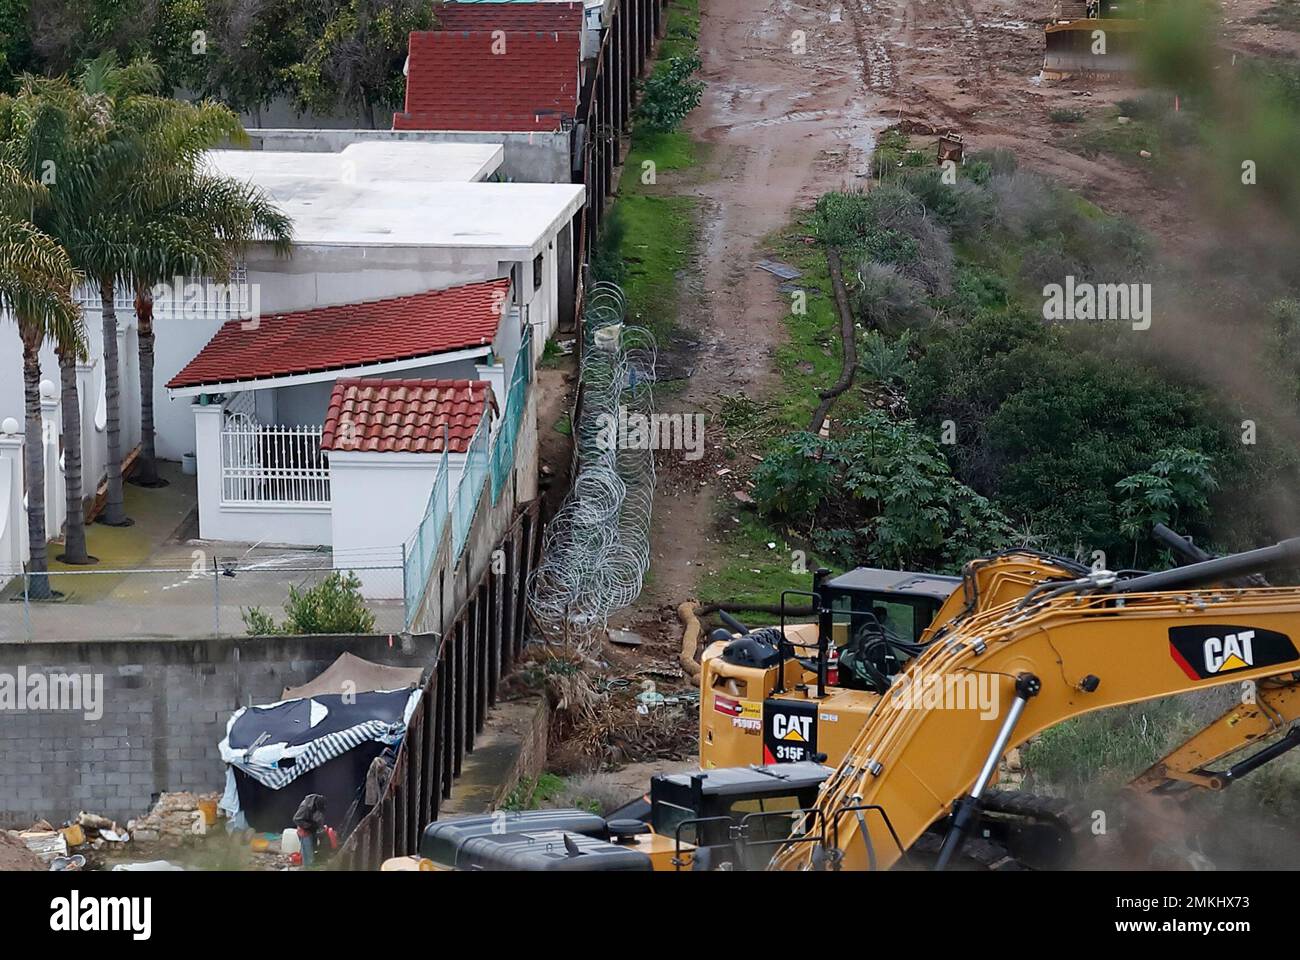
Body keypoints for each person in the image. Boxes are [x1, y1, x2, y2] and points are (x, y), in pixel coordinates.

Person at [292, 794, 327, 867]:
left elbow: (320, 817)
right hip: (304, 830)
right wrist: (309, 826)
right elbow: (296, 819)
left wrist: (321, 828)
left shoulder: (320, 805)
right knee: (307, 851)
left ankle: (311, 863)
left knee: (313, 848)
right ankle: (308, 867)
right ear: (316, 805)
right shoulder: (305, 807)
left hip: (313, 829)